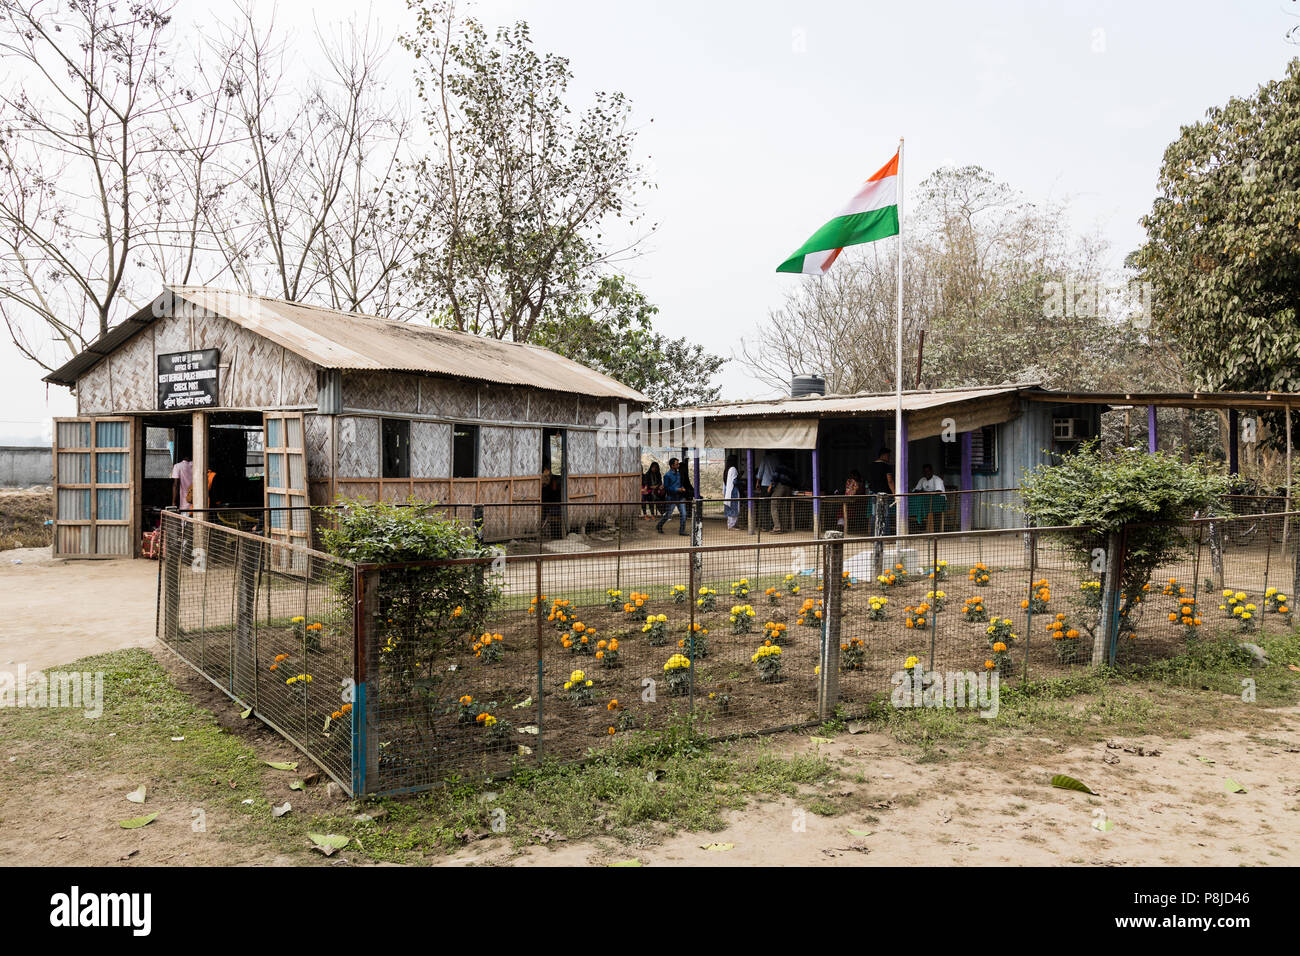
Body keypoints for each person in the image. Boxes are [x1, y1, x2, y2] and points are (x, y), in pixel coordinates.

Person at [756, 450, 793, 533]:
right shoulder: (789, 465)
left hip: (772, 485)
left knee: (772, 504)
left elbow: (775, 476)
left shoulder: (777, 463)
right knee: (782, 506)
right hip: (788, 487)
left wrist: (770, 485)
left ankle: (774, 527)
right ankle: (784, 527)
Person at [656, 458, 688, 535]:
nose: (678, 465)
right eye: (677, 464)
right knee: (668, 515)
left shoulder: (678, 474)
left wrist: (682, 488)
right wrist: (677, 489)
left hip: (680, 497)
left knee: (684, 514)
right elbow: (667, 488)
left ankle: (682, 531)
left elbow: (680, 484)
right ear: (672, 465)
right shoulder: (667, 475)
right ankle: (659, 525)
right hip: (671, 497)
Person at [867, 447, 894, 534]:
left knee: (874, 514)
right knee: (885, 515)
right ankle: (886, 535)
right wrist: (895, 493)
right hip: (884, 494)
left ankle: (873, 535)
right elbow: (890, 481)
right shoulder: (886, 466)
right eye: (888, 456)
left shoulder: (871, 465)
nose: (889, 458)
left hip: (873, 493)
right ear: (884, 455)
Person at [912, 463, 947, 532]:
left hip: (939, 502)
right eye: (924, 472)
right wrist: (923, 492)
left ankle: (932, 531)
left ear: (931, 471)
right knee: (917, 503)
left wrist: (922, 492)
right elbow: (916, 490)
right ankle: (919, 527)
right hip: (926, 501)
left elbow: (938, 492)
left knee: (926, 505)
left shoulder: (937, 479)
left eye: (928, 471)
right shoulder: (922, 479)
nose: (926, 473)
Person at [837, 469, 871, 537]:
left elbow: (854, 491)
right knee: (843, 508)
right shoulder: (853, 481)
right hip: (854, 500)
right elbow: (849, 491)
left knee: (847, 508)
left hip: (858, 500)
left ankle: (843, 523)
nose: (852, 477)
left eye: (853, 476)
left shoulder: (858, 482)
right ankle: (842, 522)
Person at [540, 468, 563, 539]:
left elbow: (554, 490)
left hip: (550, 502)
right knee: (545, 514)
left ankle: (543, 528)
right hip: (547, 502)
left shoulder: (551, 484)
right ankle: (543, 528)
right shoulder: (547, 486)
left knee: (546, 514)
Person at [723, 454, 740, 529]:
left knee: (730, 507)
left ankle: (730, 524)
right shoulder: (733, 469)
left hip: (728, 490)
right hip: (733, 490)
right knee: (734, 507)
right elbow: (735, 481)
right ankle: (732, 525)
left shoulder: (727, 469)